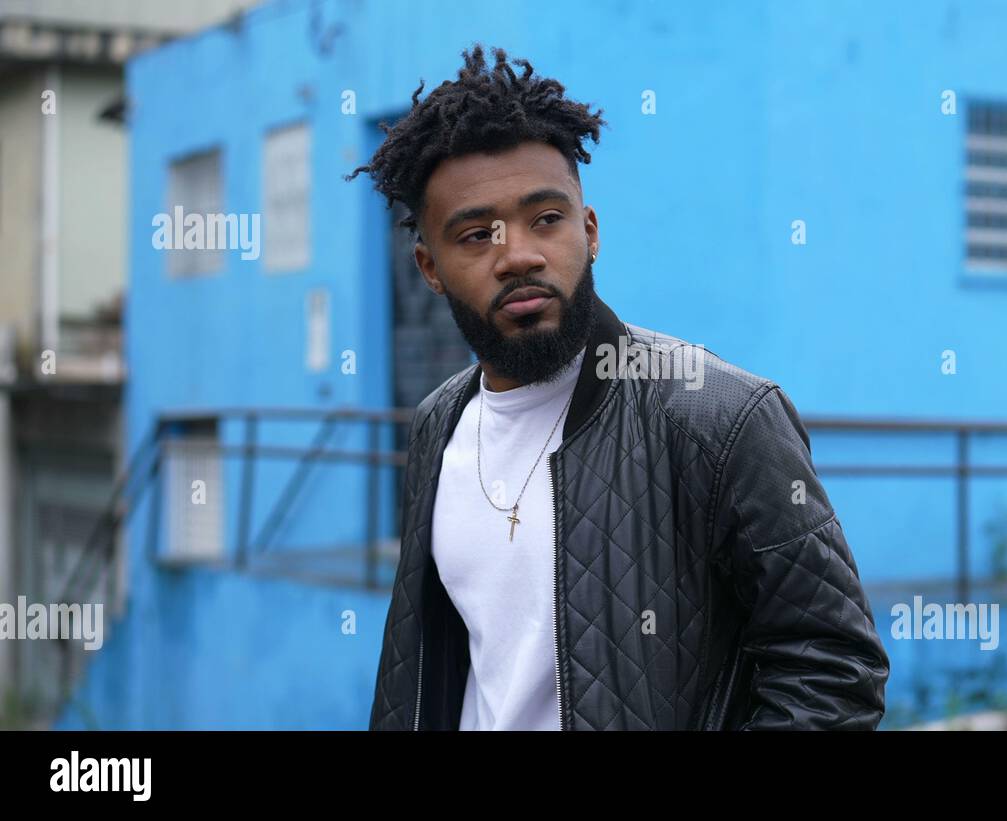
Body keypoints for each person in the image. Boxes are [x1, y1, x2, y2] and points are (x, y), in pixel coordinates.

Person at [350, 44, 889, 730]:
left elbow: (833, 670)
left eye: (547, 219)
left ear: (590, 231)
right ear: (430, 268)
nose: (519, 255)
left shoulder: (719, 415)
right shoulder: (438, 424)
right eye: (478, 235)